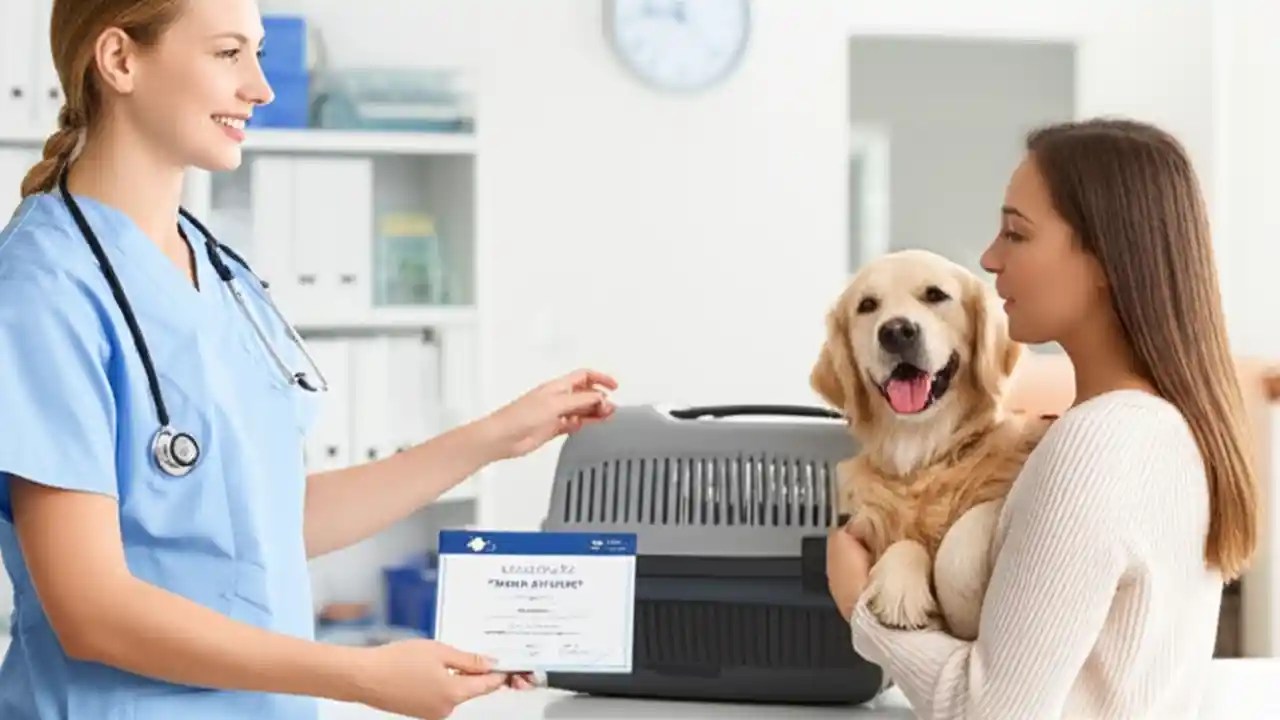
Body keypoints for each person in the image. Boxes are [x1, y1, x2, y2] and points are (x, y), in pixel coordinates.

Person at [0, 1, 618, 718]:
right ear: (119, 60)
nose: (261, 88)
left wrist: (490, 440)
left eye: (258, 54)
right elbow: (93, 609)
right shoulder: (44, 288)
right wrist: (359, 676)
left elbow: (266, 522)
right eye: (229, 53)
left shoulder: (218, 268)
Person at [826, 118, 1259, 719]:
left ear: (1107, 256)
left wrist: (861, 609)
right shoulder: (1161, 426)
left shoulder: (1096, 444)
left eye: (1016, 234)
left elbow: (988, 712)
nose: (989, 257)